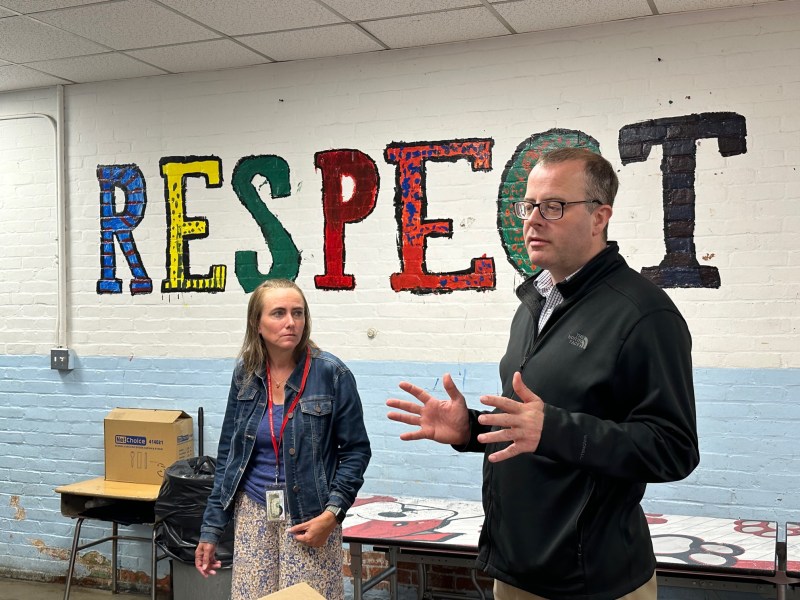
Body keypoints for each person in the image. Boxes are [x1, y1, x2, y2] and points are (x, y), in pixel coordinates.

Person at [387, 147, 699, 600]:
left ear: (599, 217)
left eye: (553, 206)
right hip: (517, 570)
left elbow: (674, 449)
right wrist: (470, 430)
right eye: (528, 205)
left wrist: (556, 430)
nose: (532, 220)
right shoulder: (536, 303)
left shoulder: (643, 315)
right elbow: (530, 423)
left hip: (593, 581)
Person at [196, 278, 371, 600]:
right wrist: (211, 529)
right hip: (253, 510)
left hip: (310, 514)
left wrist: (332, 515)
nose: (291, 322)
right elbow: (228, 456)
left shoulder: (332, 373)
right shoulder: (245, 374)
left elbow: (356, 452)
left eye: (298, 313)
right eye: (278, 313)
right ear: (256, 323)